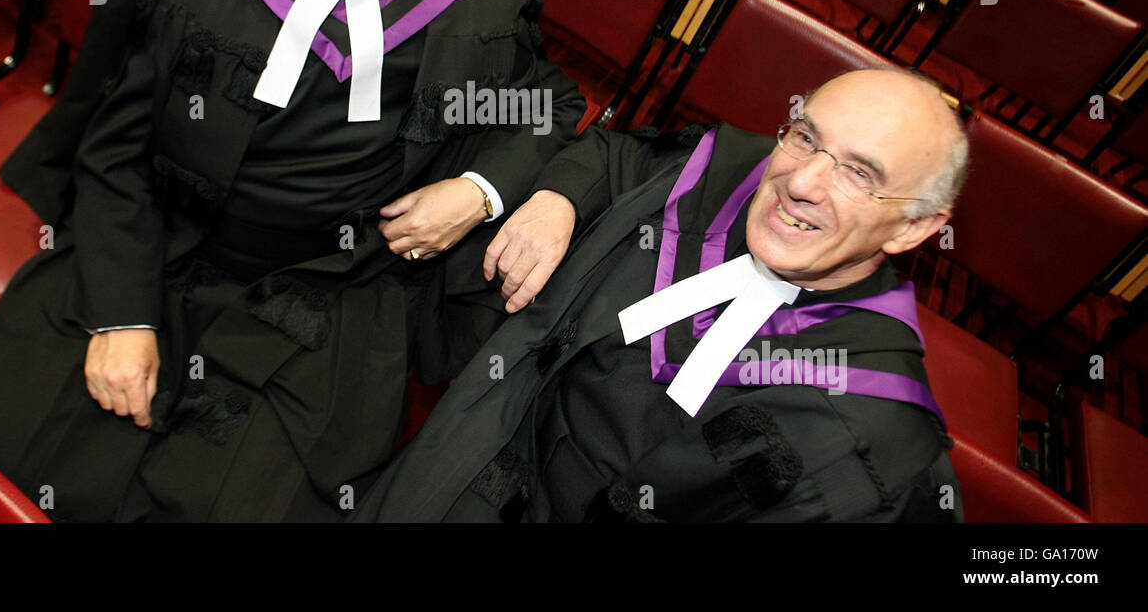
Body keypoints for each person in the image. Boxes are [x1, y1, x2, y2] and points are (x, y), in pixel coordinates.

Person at [0, 0, 585, 522]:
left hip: (323, 304)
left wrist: (476, 191)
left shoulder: (470, 18)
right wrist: (121, 316)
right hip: (161, 252)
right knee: (30, 479)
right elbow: (111, 148)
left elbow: (548, 107)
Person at [354, 68, 968, 522]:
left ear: (915, 226)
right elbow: (613, 153)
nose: (801, 182)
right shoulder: (727, 170)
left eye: (859, 174)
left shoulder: (857, 425)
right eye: (806, 137)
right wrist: (557, 201)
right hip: (492, 423)